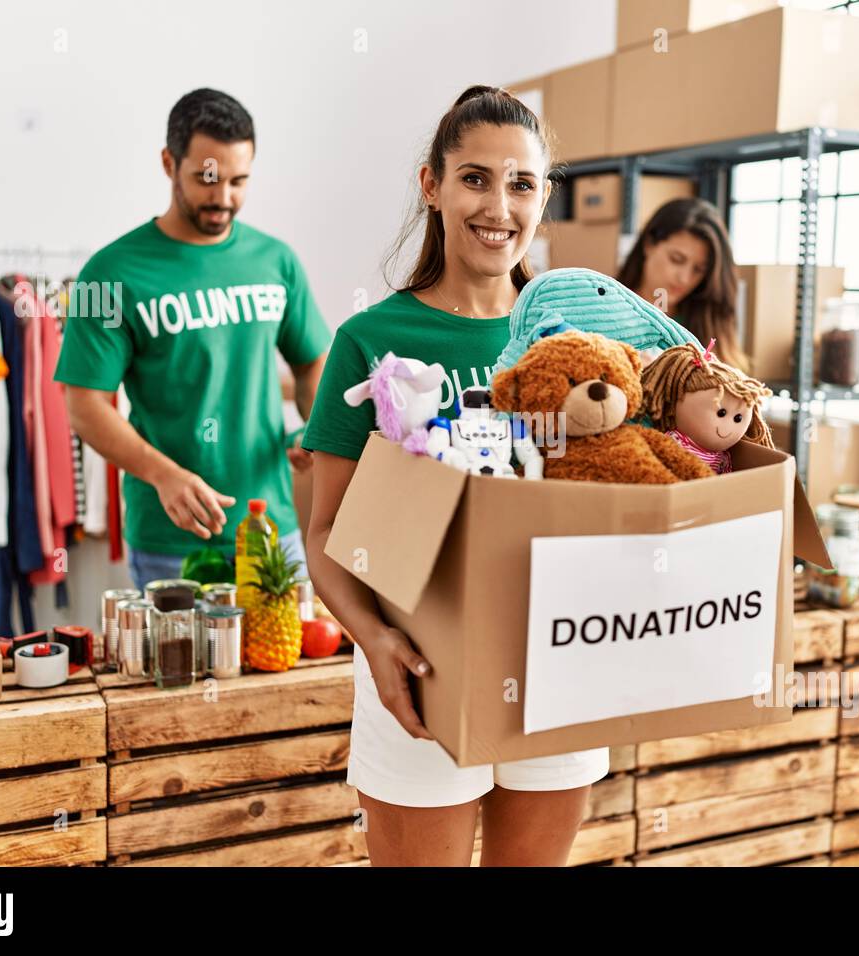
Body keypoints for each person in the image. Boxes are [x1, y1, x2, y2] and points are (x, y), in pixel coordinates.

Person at [301, 86, 611, 867]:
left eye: (522, 183)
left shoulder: (581, 342)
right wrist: (372, 640)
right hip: (418, 671)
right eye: (474, 178)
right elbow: (328, 530)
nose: (498, 205)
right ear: (431, 185)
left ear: (544, 196)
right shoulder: (372, 338)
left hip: (558, 661)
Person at [56, 88, 329, 590]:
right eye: (208, 179)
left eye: (239, 180)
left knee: (293, 671)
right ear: (169, 163)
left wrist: (317, 430)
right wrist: (163, 475)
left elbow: (314, 364)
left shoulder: (277, 261)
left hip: (272, 529)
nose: (224, 198)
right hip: (170, 543)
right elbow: (85, 405)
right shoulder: (107, 273)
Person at [617, 196, 751, 372]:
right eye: (677, 259)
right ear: (649, 244)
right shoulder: (606, 306)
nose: (684, 278)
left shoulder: (706, 324)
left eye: (699, 269)